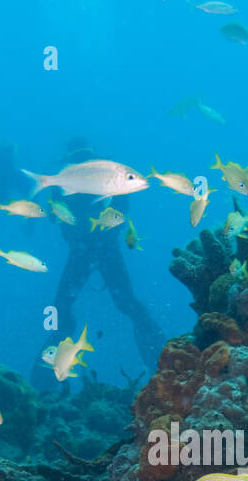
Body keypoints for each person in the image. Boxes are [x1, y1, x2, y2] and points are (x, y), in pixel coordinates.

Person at [31, 140, 166, 388]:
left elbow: (53, 215)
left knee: (62, 309)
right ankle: (161, 361)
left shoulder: (88, 174)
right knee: (129, 304)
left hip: (82, 252)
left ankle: (43, 381)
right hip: (107, 250)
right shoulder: (98, 174)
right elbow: (121, 216)